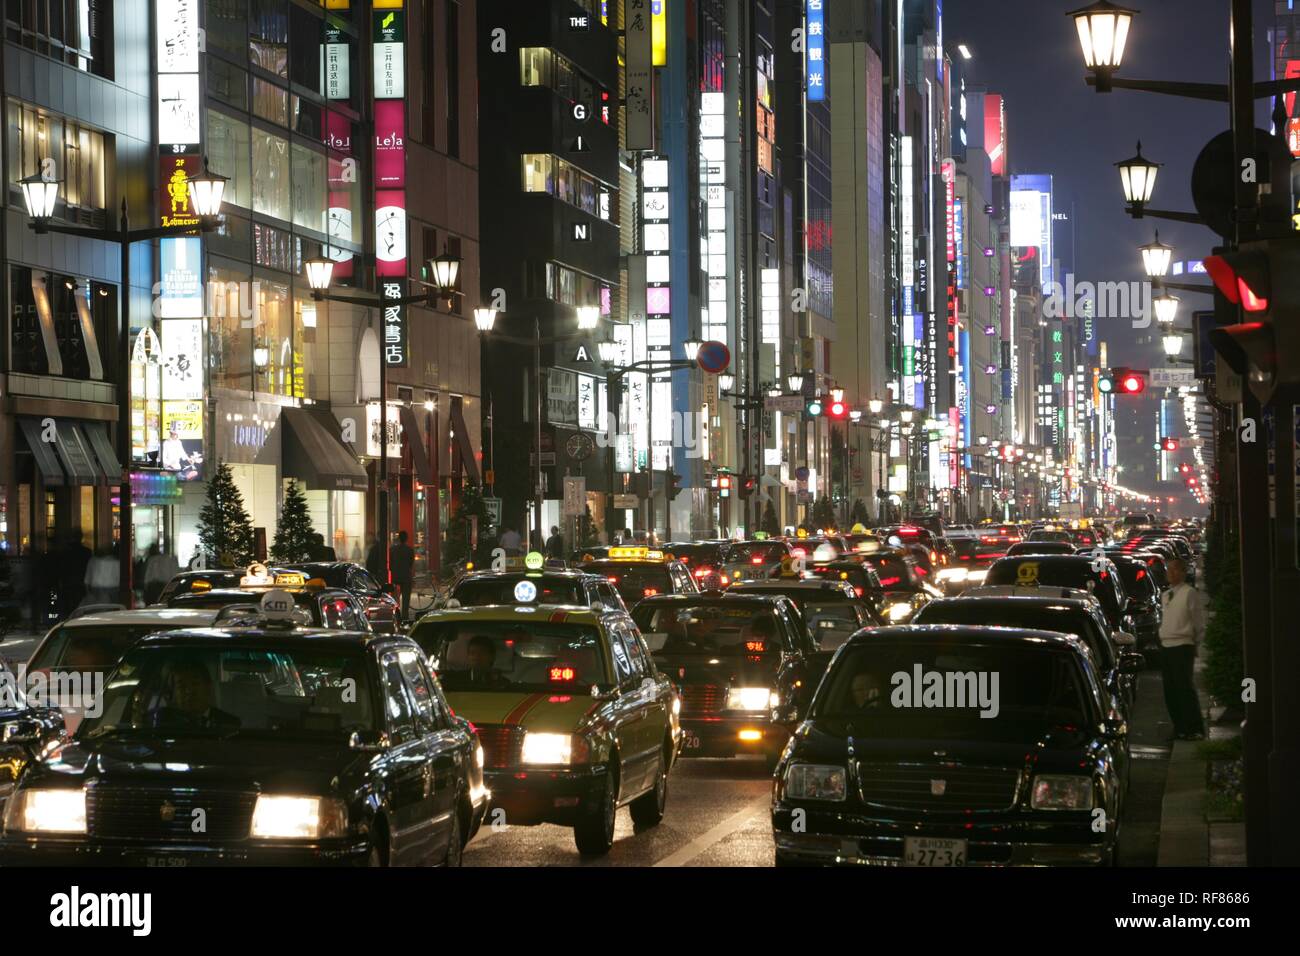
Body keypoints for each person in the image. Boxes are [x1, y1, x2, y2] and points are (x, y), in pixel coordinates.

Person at [1159, 558, 1207, 741]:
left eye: (1174, 570)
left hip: (1183, 645)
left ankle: (1194, 728)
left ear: (1182, 573)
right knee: (1170, 690)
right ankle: (1179, 726)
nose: (1170, 573)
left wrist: (1196, 643)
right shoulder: (1166, 595)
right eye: (1168, 570)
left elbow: (1198, 622)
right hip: (1167, 645)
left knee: (1184, 688)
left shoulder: (1189, 593)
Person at [390, 530, 415, 621]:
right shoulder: (410, 550)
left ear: (398, 538)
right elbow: (410, 564)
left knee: (395, 597)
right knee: (406, 597)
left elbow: (391, 563)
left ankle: (396, 615)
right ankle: (405, 616)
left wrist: (393, 570)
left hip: (395, 576)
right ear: (406, 539)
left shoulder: (392, 549)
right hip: (406, 576)